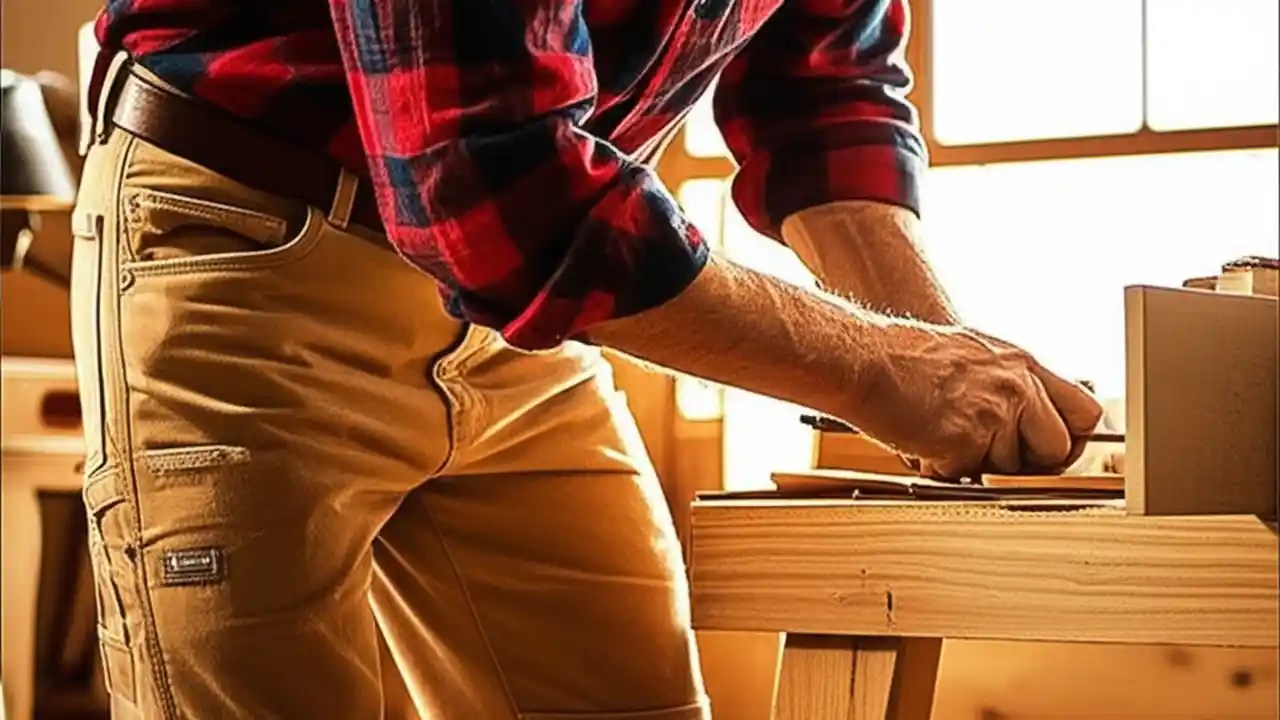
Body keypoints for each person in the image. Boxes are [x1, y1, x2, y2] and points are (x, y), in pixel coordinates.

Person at [71, 1, 1102, 717]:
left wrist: (946, 368)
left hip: (524, 303)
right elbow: (485, 176)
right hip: (255, 242)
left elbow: (822, 93)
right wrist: (881, 372)